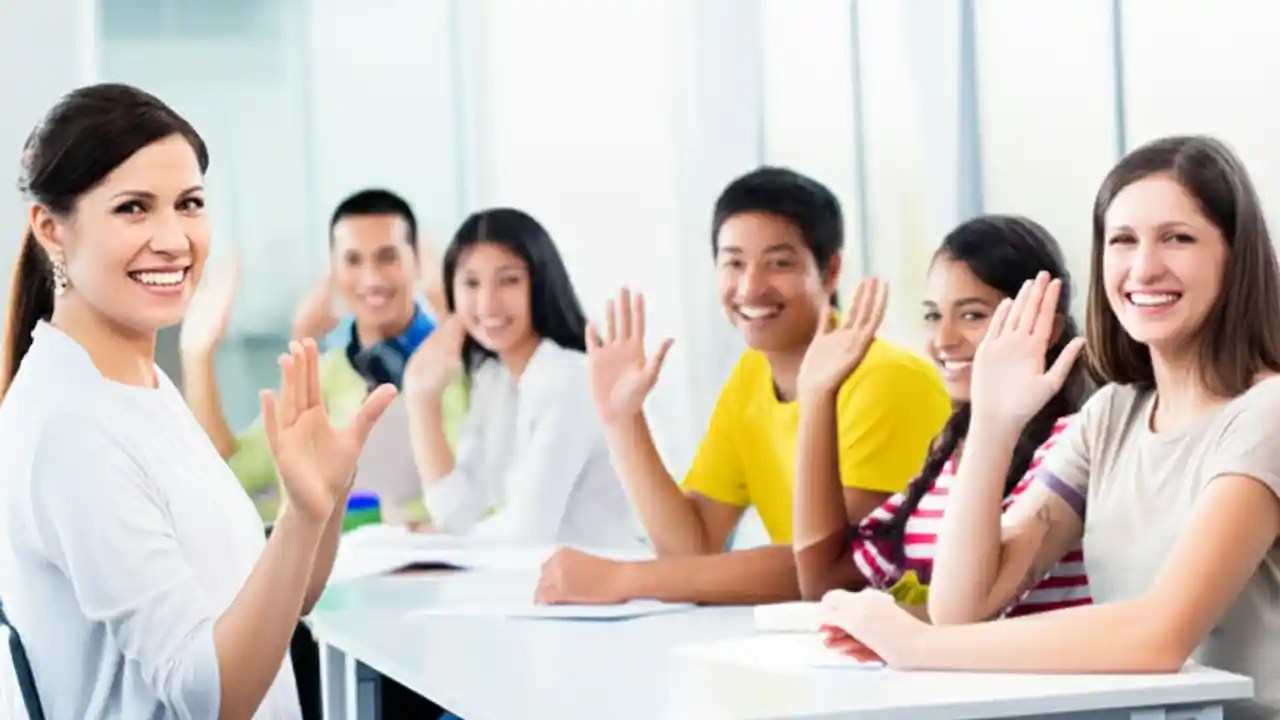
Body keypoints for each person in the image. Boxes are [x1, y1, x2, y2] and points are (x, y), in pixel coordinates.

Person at [819, 136, 1280, 718]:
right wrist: (991, 424)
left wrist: (920, 646)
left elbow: (1159, 635)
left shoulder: (1267, 414)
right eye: (1123, 241)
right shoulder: (1112, 415)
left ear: (1234, 257)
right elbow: (963, 607)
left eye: (1177, 238)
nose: (1144, 267)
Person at [0, 83, 395, 719]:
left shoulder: (138, 387)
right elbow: (212, 696)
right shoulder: (71, 428)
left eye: (189, 204)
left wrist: (318, 503)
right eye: (133, 208)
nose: (174, 239)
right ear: (52, 229)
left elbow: (282, 606)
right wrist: (298, 520)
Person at [535, 167, 950, 605]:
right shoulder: (752, 375)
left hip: (920, 649)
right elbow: (691, 548)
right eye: (733, 263)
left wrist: (625, 580)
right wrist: (622, 420)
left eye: (779, 263)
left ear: (830, 271)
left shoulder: (887, 380)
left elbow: (840, 568)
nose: (750, 287)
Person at [792, 217, 1091, 616]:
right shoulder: (952, 453)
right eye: (934, 316)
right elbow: (824, 580)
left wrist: (874, 619)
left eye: (971, 315)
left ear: (1045, 328)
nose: (943, 340)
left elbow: (973, 617)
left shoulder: (1070, 443)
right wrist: (816, 395)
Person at [180, 189, 467, 522]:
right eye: (353, 260)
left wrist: (453, 318)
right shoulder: (327, 373)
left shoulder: (463, 364)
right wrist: (197, 357)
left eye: (387, 257)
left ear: (416, 262)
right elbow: (234, 475)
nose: (371, 279)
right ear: (334, 271)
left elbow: (485, 489)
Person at [404, 208, 641, 547]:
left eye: (509, 280)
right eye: (471, 283)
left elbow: (526, 533)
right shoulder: (494, 380)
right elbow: (457, 515)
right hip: (543, 587)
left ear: (541, 283)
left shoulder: (569, 378)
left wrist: (442, 544)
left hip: (609, 587)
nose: (487, 303)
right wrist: (421, 401)